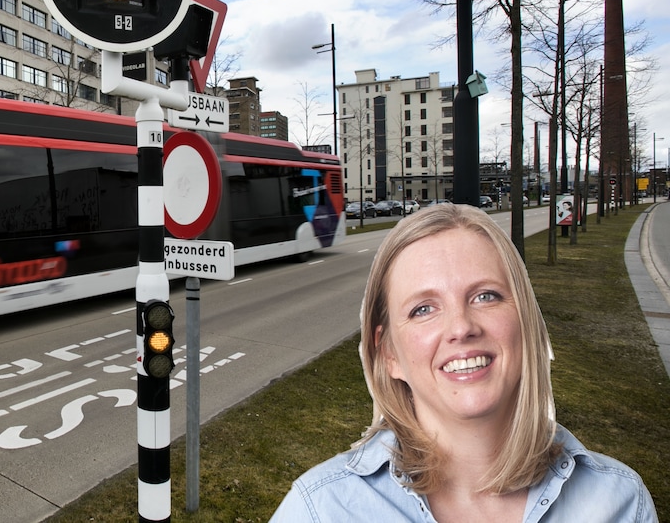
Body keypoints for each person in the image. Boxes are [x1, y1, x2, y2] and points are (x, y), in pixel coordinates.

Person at [270, 203, 655, 522]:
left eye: (486, 296)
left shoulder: (621, 503)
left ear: (525, 321)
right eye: (423, 309)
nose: (461, 327)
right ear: (388, 354)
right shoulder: (321, 510)